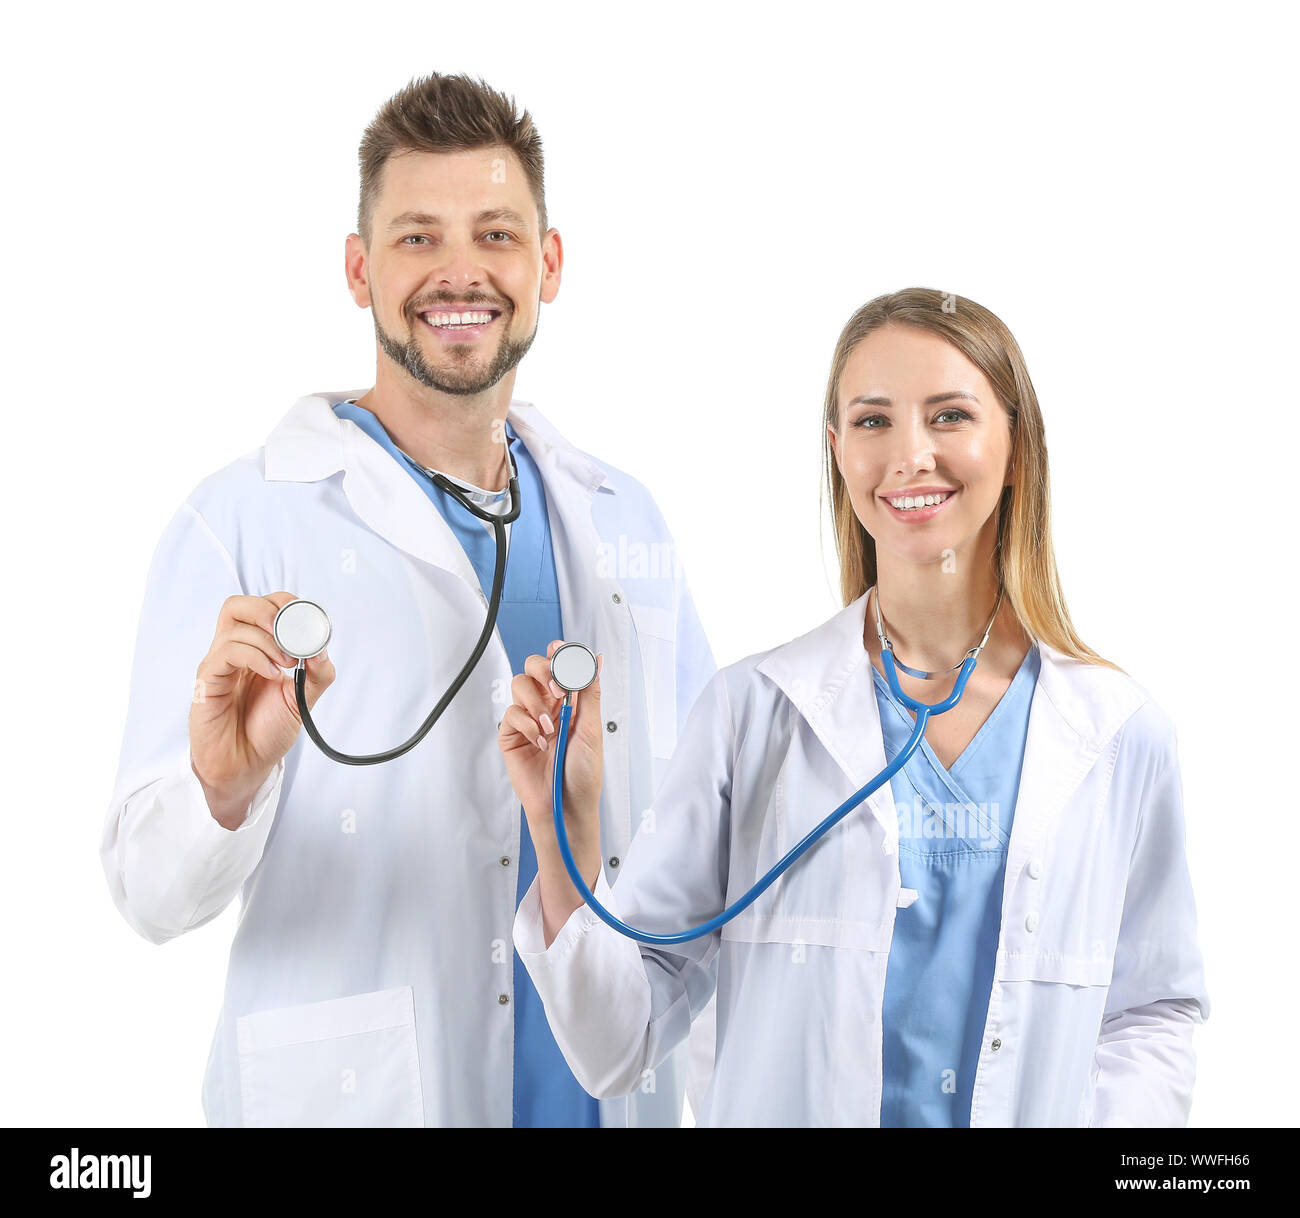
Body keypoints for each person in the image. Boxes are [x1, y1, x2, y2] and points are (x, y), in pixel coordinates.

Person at [99, 72, 715, 1128]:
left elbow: (706, 838)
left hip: (610, 1096)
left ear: (548, 263)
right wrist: (222, 789)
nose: (461, 272)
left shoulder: (627, 521)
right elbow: (149, 899)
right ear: (358, 269)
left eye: (496, 235)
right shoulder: (244, 519)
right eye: (417, 238)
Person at [499, 287, 1210, 1127]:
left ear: (1017, 448)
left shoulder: (1117, 735)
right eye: (874, 422)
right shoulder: (750, 714)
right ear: (837, 450)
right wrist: (560, 829)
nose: (910, 455)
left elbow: (1151, 1012)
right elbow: (613, 1045)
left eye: (949, 416)